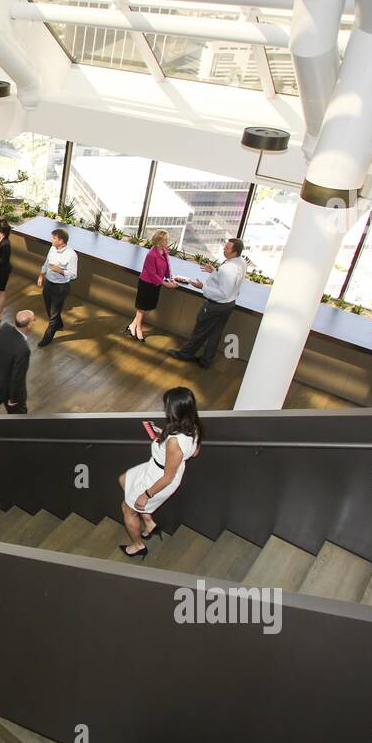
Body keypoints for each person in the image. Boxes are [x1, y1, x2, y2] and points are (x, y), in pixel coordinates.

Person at [117, 387, 202, 556]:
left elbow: (168, 477)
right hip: (157, 468)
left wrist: (146, 495)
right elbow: (195, 452)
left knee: (127, 508)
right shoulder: (194, 427)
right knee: (124, 479)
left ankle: (138, 545)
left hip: (158, 478)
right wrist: (163, 437)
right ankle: (148, 522)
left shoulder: (174, 442)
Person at [169, 237, 247, 369]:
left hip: (216, 305)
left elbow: (223, 293)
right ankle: (206, 360)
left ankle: (186, 354)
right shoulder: (241, 262)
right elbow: (229, 283)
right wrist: (215, 271)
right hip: (228, 305)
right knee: (215, 334)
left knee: (200, 330)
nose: (224, 249)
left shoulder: (227, 269)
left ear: (235, 252)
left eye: (227, 248)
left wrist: (202, 287)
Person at [127, 229, 177, 342]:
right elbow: (151, 273)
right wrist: (165, 283)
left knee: (147, 307)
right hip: (147, 284)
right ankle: (138, 328)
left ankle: (132, 325)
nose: (167, 241)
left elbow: (167, 266)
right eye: (165, 239)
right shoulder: (151, 254)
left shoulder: (164, 250)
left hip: (156, 283)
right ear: (158, 241)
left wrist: (171, 278)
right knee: (142, 308)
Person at [36, 228, 78, 348]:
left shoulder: (71, 255)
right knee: (49, 309)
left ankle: (47, 338)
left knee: (53, 315)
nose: (51, 240)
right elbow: (46, 263)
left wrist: (58, 270)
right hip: (49, 284)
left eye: (54, 238)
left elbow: (73, 274)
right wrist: (41, 275)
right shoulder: (52, 248)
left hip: (61, 287)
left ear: (61, 241)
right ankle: (58, 325)